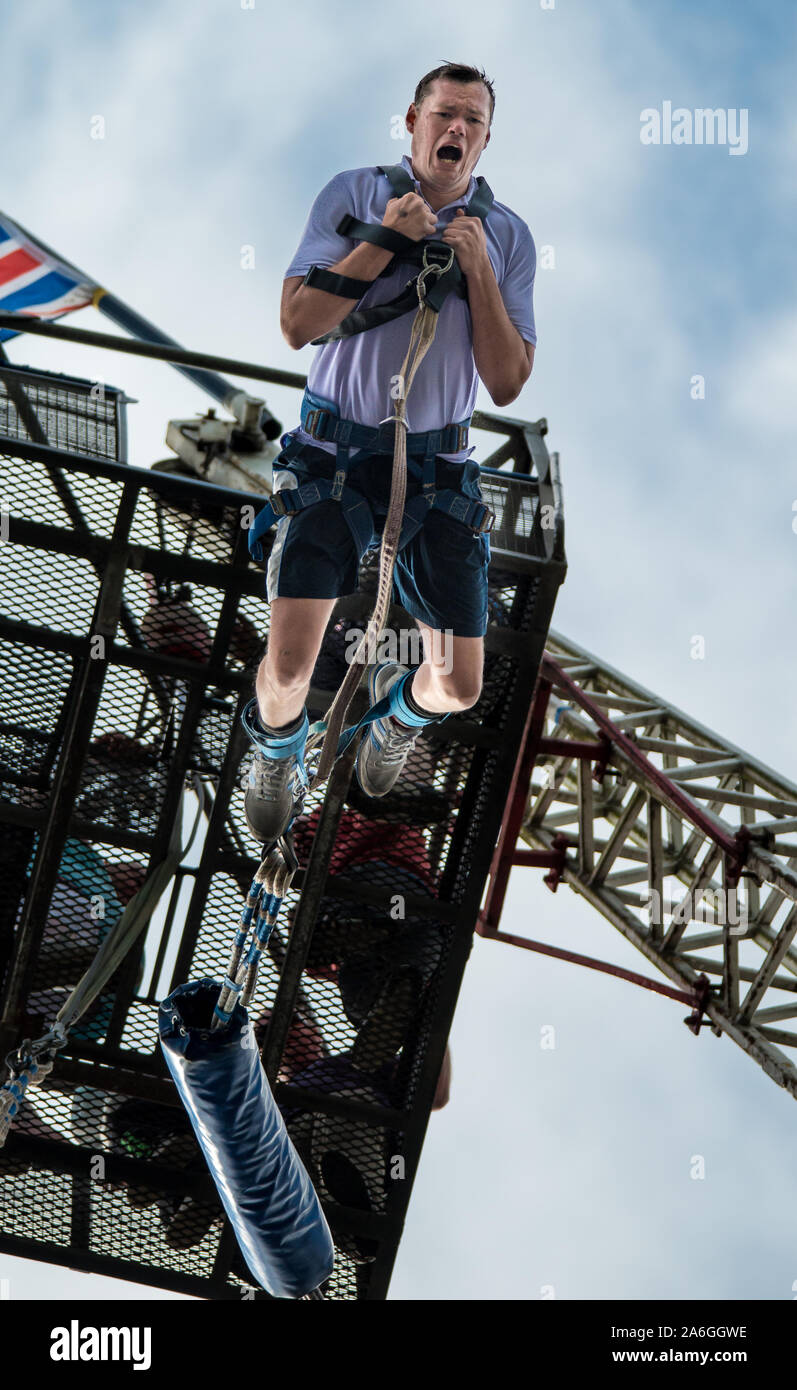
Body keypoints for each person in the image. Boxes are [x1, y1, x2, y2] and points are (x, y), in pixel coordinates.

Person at [242, 61, 537, 842]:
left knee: (459, 685)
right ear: (412, 120)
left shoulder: (504, 236)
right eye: (445, 114)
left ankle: (395, 718)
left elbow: (506, 381)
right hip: (332, 458)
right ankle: (276, 748)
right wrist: (384, 241)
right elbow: (298, 323)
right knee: (290, 667)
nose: (457, 131)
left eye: (472, 121)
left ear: (483, 139)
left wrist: (475, 268)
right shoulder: (354, 194)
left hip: (434, 470)